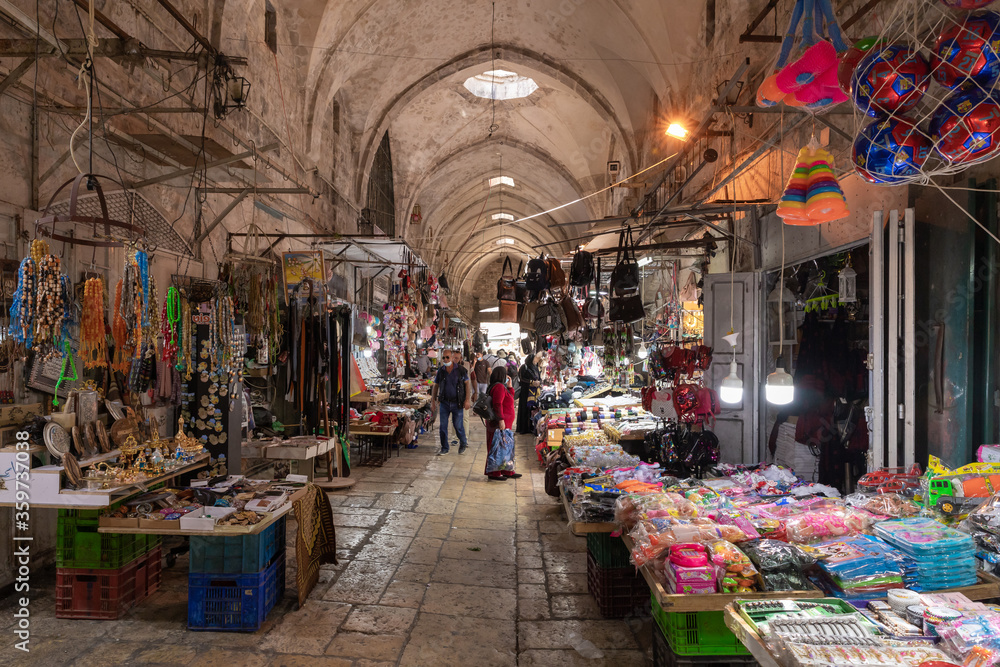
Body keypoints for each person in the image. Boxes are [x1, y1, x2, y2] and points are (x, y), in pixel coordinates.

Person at [430, 348, 472, 455]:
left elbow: (467, 385)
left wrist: (467, 400)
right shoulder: (441, 371)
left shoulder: (461, 370)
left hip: (457, 403)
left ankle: (463, 442)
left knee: (458, 426)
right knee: (443, 426)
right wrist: (433, 401)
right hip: (444, 402)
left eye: (447, 357)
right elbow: (436, 385)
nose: (445, 359)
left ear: (452, 358)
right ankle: (445, 447)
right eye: (443, 357)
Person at [484, 366, 521, 481]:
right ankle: (494, 473)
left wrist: (510, 387)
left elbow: (510, 398)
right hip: (499, 423)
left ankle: (507, 471)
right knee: (496, 447)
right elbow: (497, 404)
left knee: (505, 447)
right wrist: (501, 420)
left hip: (505, 423)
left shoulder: (501, 387)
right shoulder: (499, 387)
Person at [516, 351, 543, 434]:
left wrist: (539, 382)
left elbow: (539, 377)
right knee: (525, 409)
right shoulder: (524, 367)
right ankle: (524, 428)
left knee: (532, 409)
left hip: (534, 393)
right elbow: (521, 378)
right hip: (526, 392)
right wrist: (531, 382)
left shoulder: (535, 368)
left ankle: (531, 427)